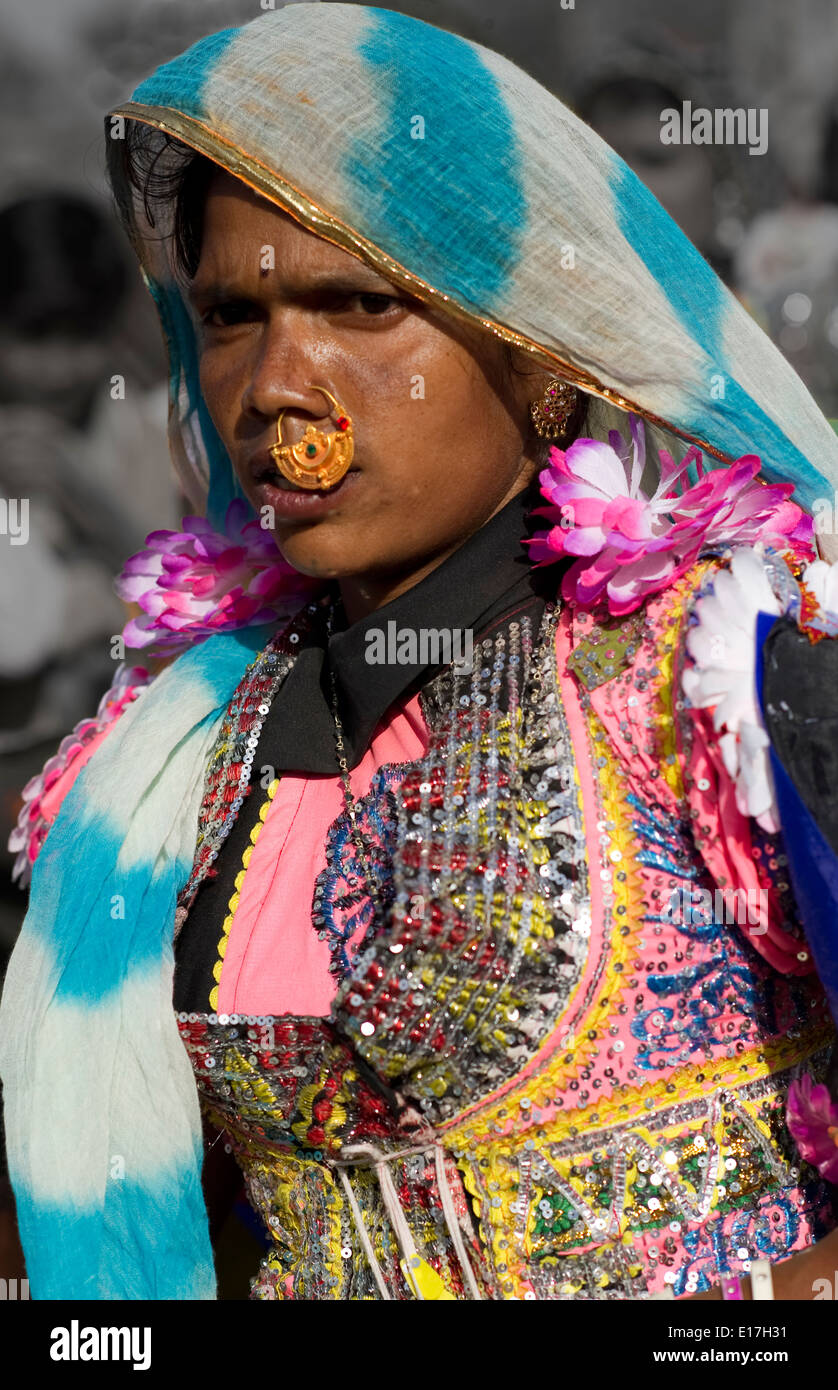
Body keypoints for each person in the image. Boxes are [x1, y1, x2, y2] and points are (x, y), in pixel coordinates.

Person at [2, 2, 838, 1303]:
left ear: (542, 348)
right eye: (232, 314)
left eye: (359, 303)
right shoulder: (177, 748)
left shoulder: (719, 667)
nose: (281, 384)